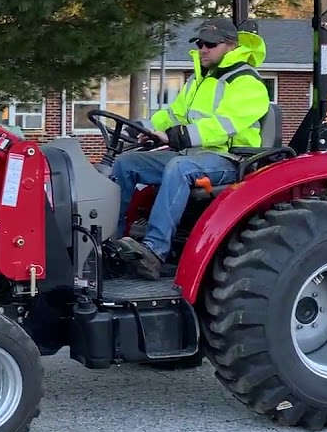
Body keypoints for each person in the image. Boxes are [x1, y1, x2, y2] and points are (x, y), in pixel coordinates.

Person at [111, 17, 272, 280]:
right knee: (127, 164)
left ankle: (154, 250)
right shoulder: (199, 81)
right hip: (192, 154)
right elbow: (173, 115)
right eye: (199, 43)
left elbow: (223, 125)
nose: (203, 49)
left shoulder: (247, 83)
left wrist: (178, 137)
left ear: (230, 46)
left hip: (228, 158)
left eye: (210, 44)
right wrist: (140, 128)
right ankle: (111, 243)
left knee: (179, 167)